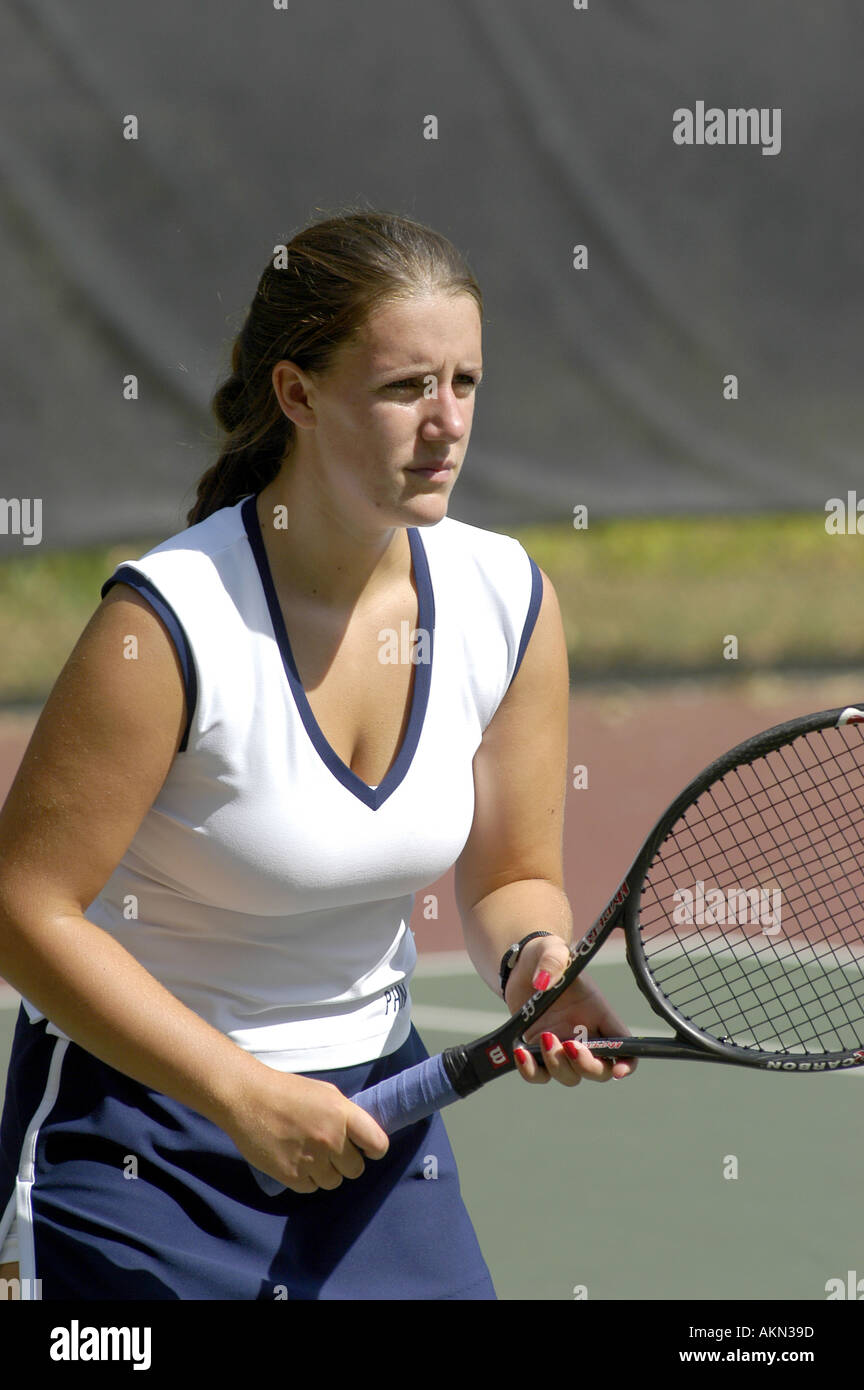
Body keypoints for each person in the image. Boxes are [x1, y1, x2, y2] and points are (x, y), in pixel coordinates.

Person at [0, 208, 633, 1301]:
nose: (446, 425)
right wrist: (240, 1094)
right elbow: (20, 906)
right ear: (296, 394)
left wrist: (537, 963)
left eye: (466, 383)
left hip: (378, 1125)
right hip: (139, 1136)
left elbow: (513, 877)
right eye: (405, 389)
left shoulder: (506, 599)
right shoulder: (171, 622)